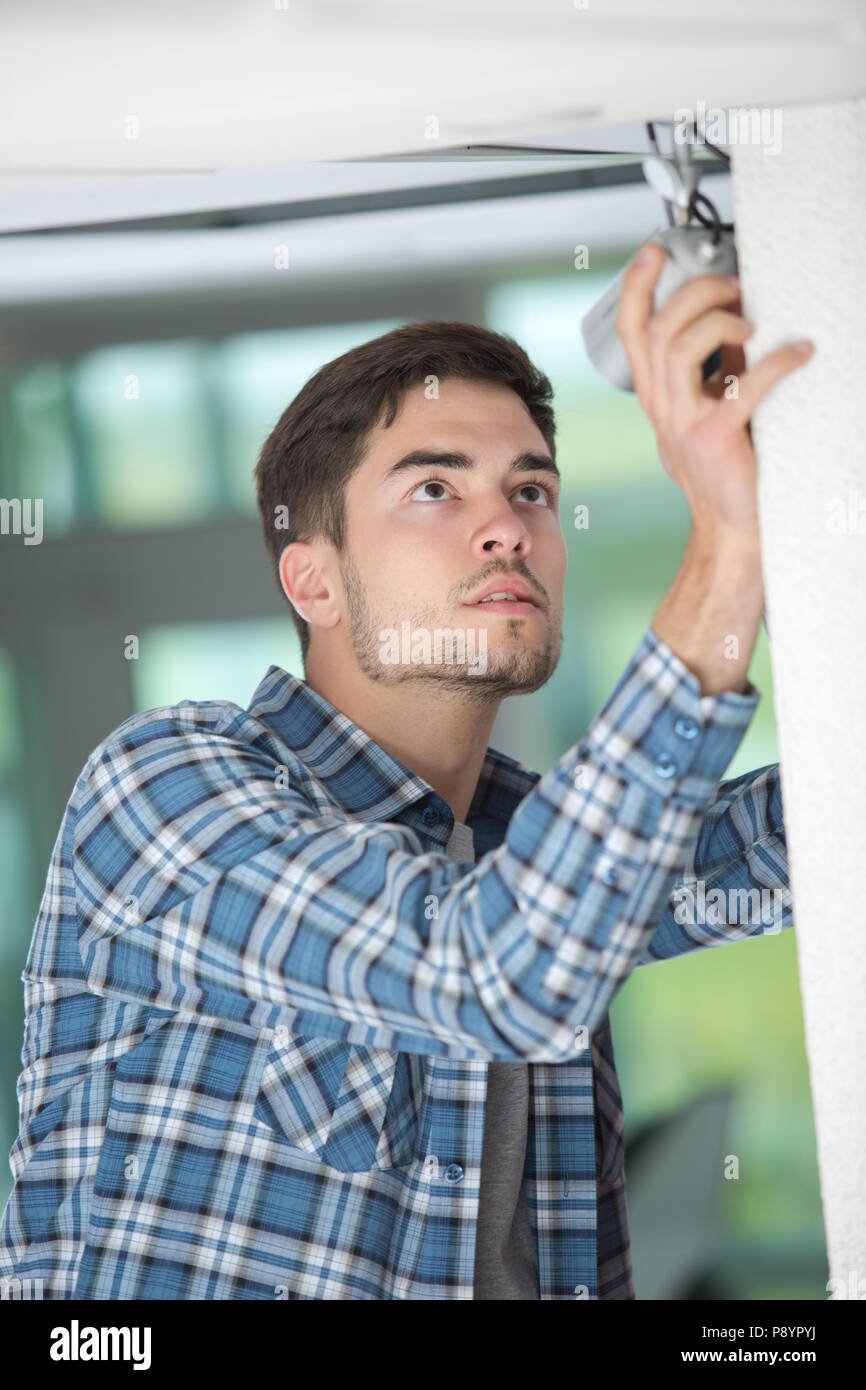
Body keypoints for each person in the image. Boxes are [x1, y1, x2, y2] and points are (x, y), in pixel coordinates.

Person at [0, 245, 809, 1300]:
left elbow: (800, 839)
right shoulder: (165, 788)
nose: (505, 526)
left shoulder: (536, 848)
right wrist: (728, 544)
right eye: (434, 486)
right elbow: (489, 972)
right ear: (313, 580)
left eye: (530, 488)